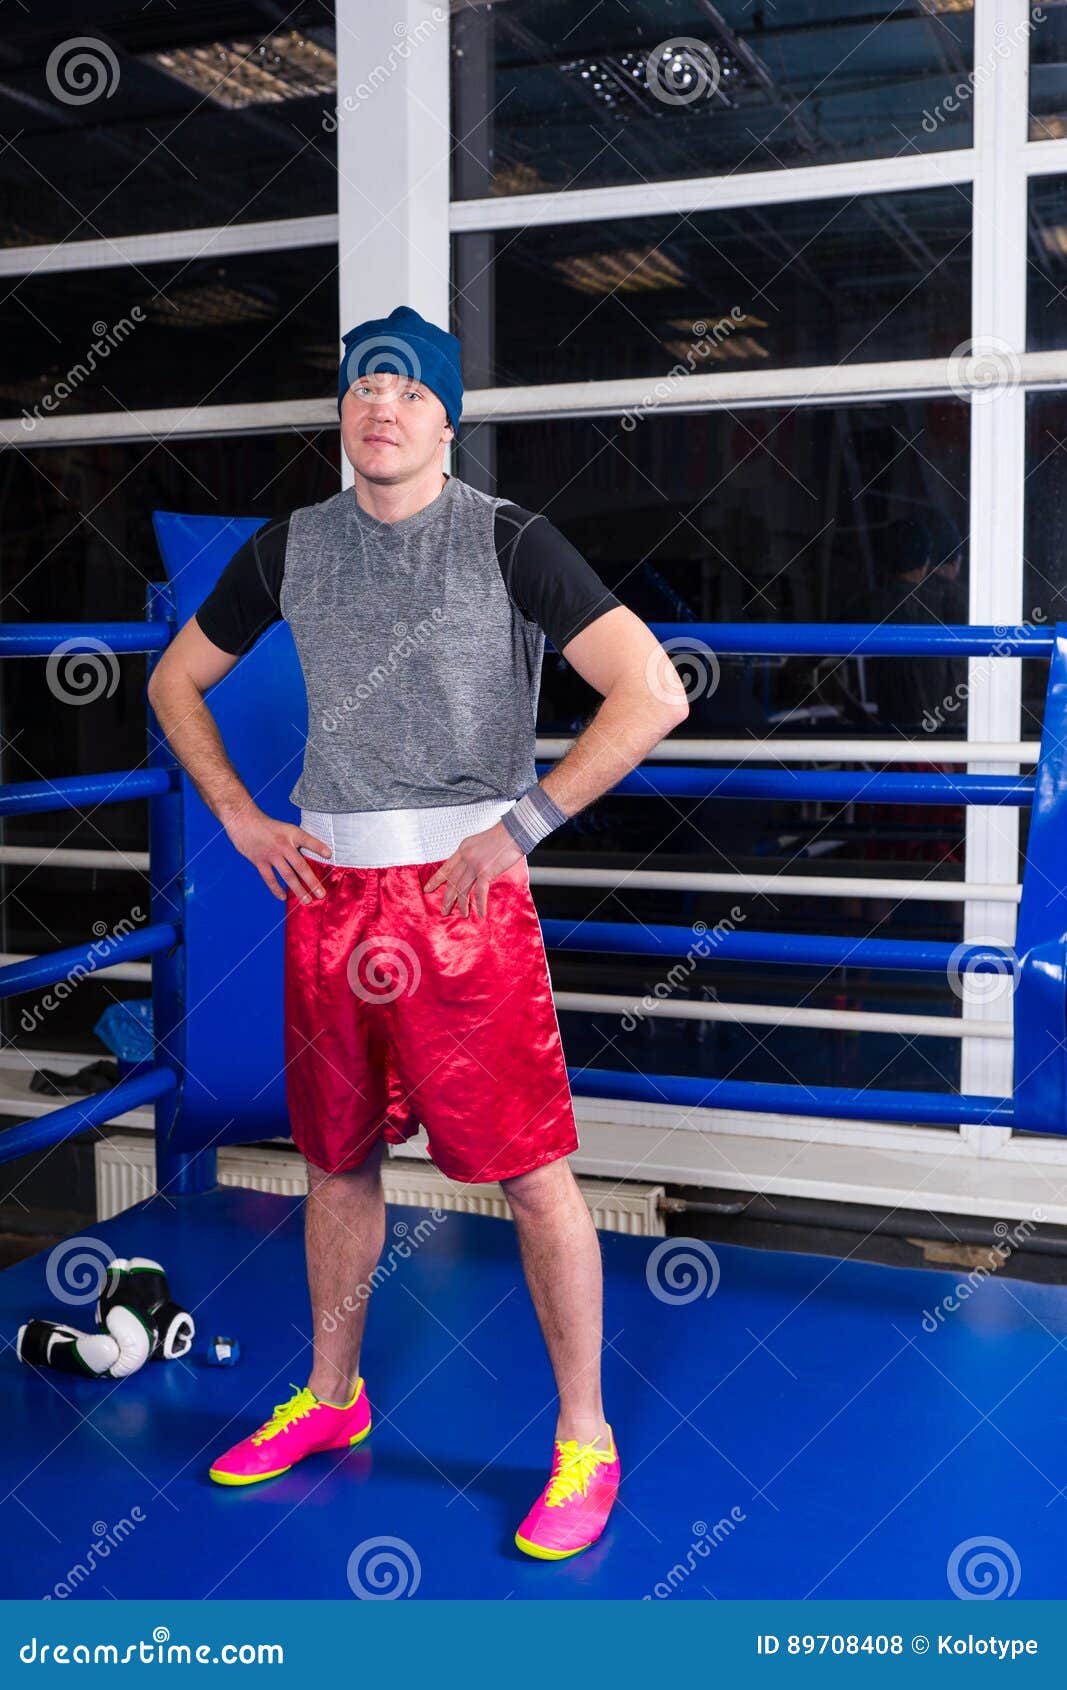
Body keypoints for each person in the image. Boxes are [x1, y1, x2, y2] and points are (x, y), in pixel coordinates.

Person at [146, 304, 690, 1562]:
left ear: (446, 417)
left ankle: (583, 1437)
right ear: (342, 418)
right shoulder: (290, 546)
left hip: (462, 904)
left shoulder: (509, 540)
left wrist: (525, 825)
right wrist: (235, 813)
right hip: (328, 897)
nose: (378, 406)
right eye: (358, 390)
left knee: (531, 1169)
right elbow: (173, 680)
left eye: (404, 389)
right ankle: (333, 1399)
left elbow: (650, 686)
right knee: (333, 1160)